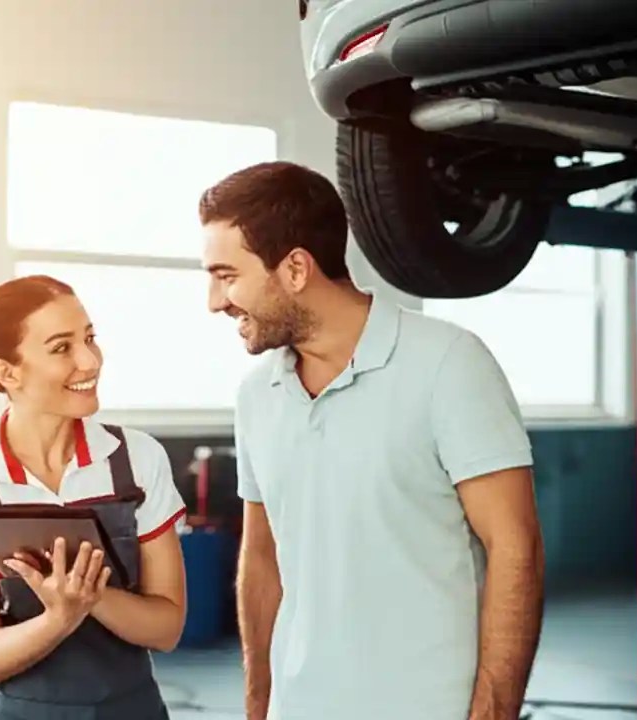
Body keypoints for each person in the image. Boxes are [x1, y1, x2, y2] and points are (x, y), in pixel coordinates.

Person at [198, 161, 545, 720]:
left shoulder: (449, 364)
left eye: (226, 275)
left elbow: (516, 548)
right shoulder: (256, 395)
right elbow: (261, 560)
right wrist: (258, 705)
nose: (215, 302)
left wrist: (494, 711)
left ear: (294, 268)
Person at [0, 274, 189, 720]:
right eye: (62, 348)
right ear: (7, 373)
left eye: (90, 338)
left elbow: (166, 627)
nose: (90, 361)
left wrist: (90, 597)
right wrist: (58, 617)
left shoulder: (136, 459)